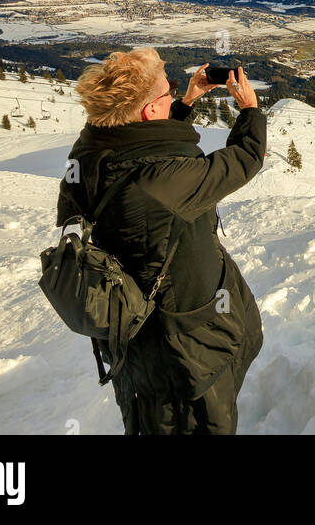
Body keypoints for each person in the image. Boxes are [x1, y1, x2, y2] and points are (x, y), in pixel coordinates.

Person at [57, 48, 266, 434]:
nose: (172, 95)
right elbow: (245, 158)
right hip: (184, 354)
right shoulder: (162, 182)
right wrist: (250, 111)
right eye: (166, 93)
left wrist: (185, 102)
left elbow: (144, 146)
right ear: (152, 111)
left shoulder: (87, 157)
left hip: (135, 343)